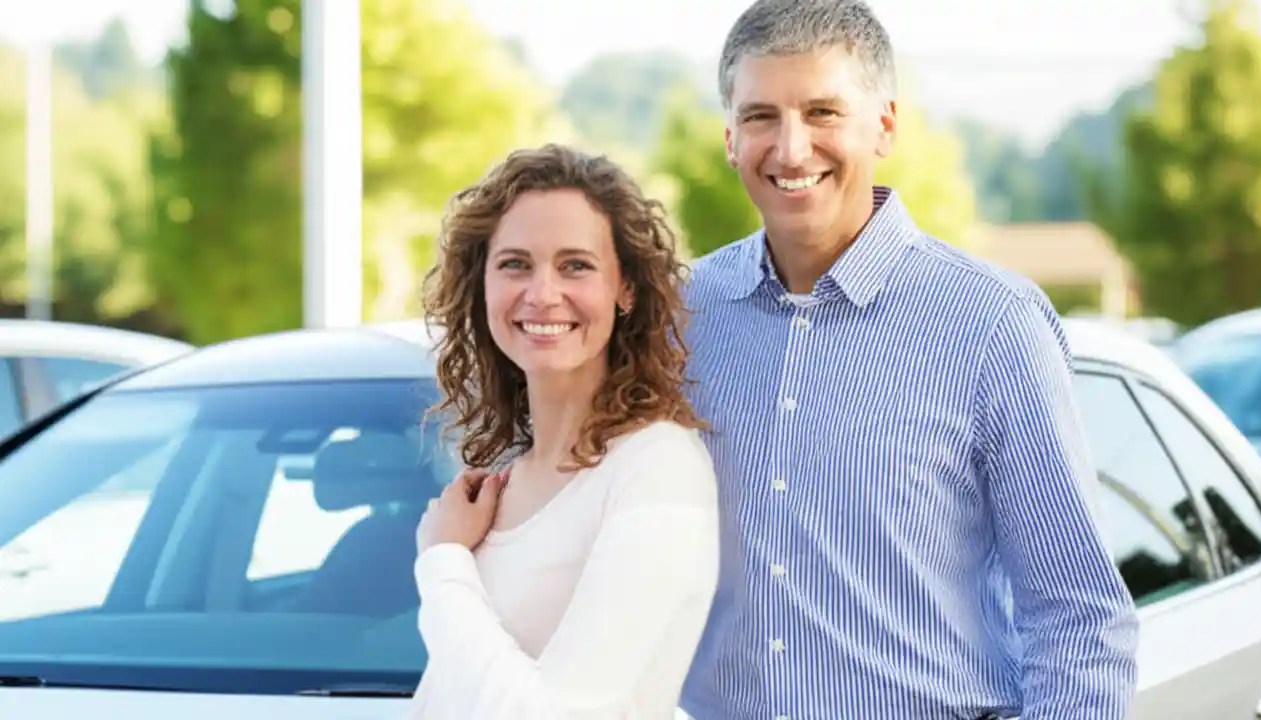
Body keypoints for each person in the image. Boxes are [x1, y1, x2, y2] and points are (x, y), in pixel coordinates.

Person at [677, 1, 1140, 719]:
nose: (792, 149)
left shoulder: (992, 325)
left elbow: (1079, 618)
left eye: (824, 112)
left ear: (884, 125)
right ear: (731, 139)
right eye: (762, 116)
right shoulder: (677, 317)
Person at [406, 143, 720, 720]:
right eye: (515, 264)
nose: (542, 294)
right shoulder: (507, 477)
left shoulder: (656, 470)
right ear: (482, 283)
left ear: (625, 288)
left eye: (575, 265)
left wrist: (443, 561)